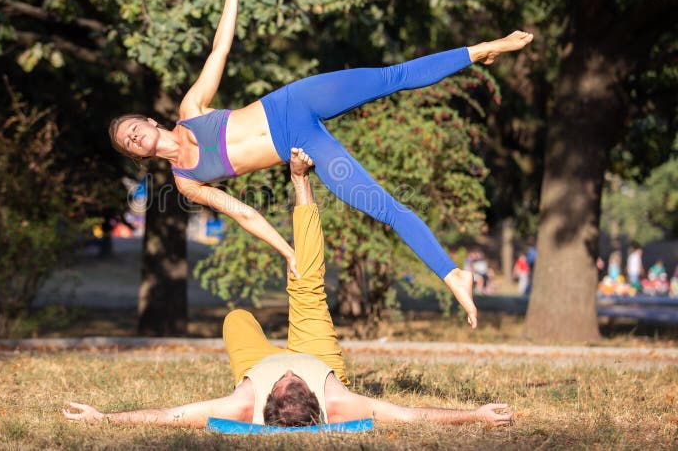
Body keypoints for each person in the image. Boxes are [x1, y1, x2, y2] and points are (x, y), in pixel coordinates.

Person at [108, 0, 535, 328]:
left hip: (295, 100)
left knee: (392, 77)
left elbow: (219, 51)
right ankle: (453, 274)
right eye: (128, 142)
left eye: (133, 127)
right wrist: (288, 252)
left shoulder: (190, 110)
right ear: (136, 154)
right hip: (303, 142)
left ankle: (480, 50)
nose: (134, 136)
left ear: (149, 121)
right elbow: (244, 214)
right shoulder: (186, 181)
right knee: (382, 205)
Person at [63, 148, 513, 428]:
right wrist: (474, 415)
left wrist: (105, 418)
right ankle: (300, 181)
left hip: (255, 362)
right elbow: (409, 415)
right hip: (320, 355)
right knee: (306, 281)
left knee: (237, 318)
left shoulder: (243, 403)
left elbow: (170, 416)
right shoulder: (335, 399)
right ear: (314, 400)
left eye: (284, 387)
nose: (291, 378)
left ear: (269, 400)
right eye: (300, 387)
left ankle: (296, 195)